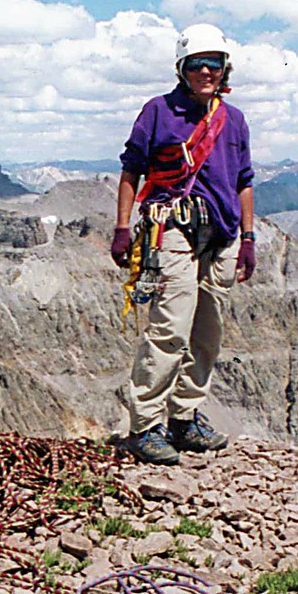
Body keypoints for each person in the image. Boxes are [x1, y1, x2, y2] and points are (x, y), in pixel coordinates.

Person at [110, 23, 256, 465]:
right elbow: (132, 171)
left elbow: (244, 180)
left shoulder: (234, 120)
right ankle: (145, 425)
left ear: (225, 68)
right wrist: (122, 228)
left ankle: (184, 418)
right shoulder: (158, 112)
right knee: (170, 329)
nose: (206, 71)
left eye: (214, 63)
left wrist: (248, 238)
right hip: (171, 229)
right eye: (197, 64)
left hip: (223, 234)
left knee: (207, 333)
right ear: (182, 68)